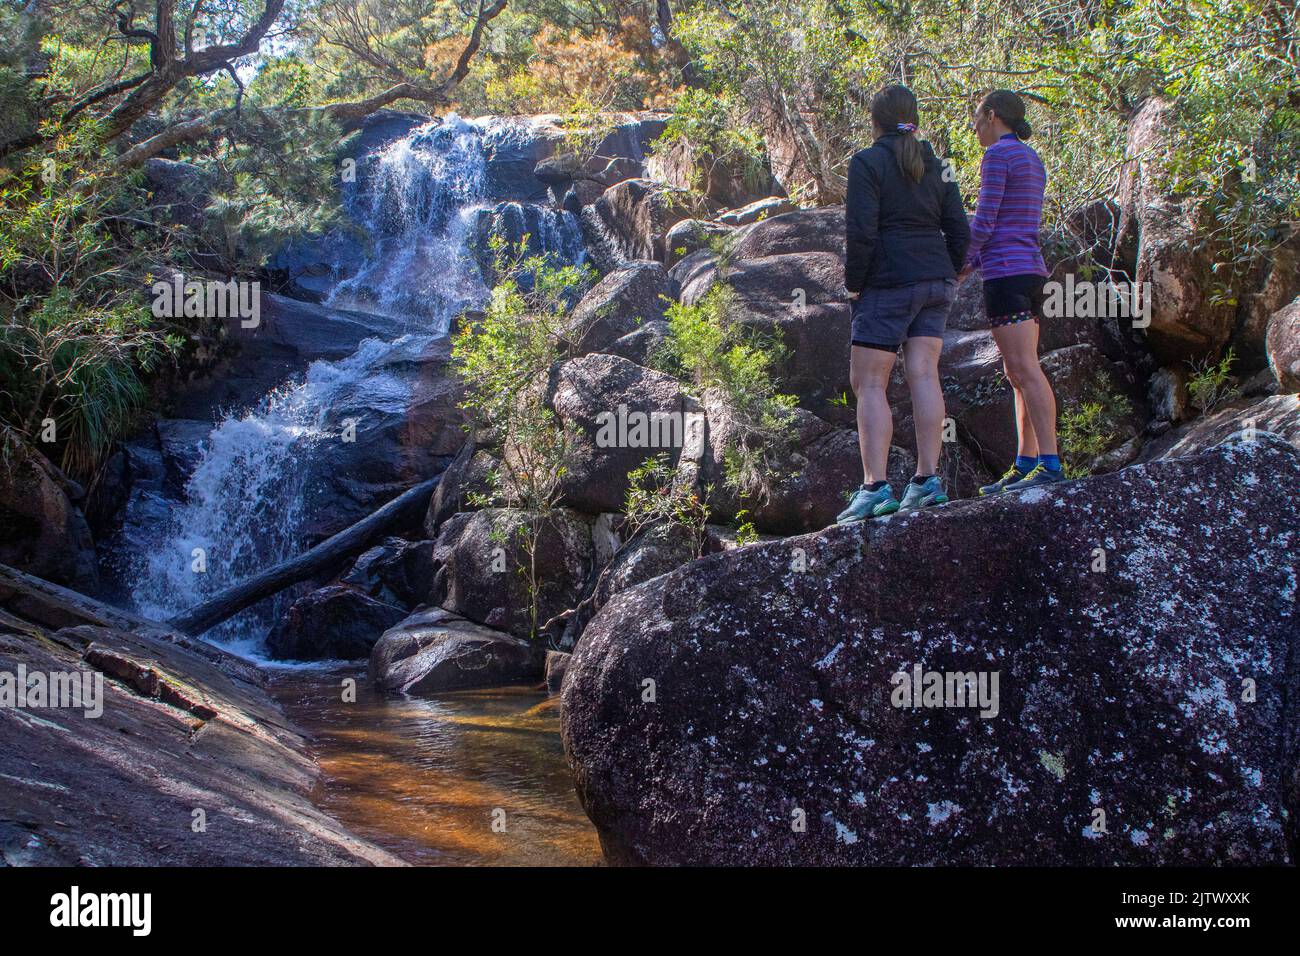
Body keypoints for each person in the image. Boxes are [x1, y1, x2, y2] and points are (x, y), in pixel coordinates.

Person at [838, 84, 970, 524]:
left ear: (874, 121)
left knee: (870, 381)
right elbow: (958, 227)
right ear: (912, 118)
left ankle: (875, 487)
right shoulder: (939, 166)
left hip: (888, 282)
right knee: (923, 373)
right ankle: (926, 481)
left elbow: (861, 231)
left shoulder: (867, 162)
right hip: (934, 279)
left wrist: (855, 284)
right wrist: (947, 269)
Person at [961, 89, 1062, 493]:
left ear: (991, 115)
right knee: (1016, 369)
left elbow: (986, 220)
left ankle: (1050, 464)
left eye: (976, 117)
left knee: (1024, 369)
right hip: (1030, 271)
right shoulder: (1030, 157)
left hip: (1005, 270)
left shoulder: (999, 156)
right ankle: (1025, 463)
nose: (973, 127)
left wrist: (962, 264)